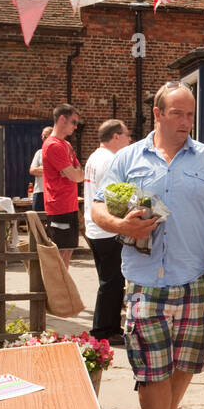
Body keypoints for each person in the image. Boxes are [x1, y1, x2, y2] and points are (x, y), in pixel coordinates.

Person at [91, 82, 204, 409]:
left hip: (193, 280)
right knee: (153, 369)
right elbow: (99, 206)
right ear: (157, 113)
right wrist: (121, 224)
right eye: (178, 114)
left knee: (186, 364)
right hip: (144, 283)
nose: (186, 123)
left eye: (190, 115)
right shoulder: (129, 158)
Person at [84, 119, 132, 344]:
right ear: (115, 136)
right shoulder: (111, 160)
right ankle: (103, 331)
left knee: (110, 281)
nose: (129, 139)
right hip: (107, 229)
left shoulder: (95, 157)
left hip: (95, 228)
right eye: (126, 135)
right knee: (111, 283)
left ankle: (110, 327)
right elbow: (115, 198)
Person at [42, 105, 84, 263]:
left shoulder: (66, 145)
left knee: (68, 252)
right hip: (58, 206)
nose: (75, 126)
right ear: (61, 119)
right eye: (73, 122)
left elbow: (79, 173)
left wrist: (73, 172)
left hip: (69, 205)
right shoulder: (54, 145)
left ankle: (62, 287)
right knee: (59, 256)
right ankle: (56, 288)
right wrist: (73, 172)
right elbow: (75, 175)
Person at [30, 126, 53, 212]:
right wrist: (50, 169)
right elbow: (32, 170)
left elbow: (61, 171)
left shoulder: (58, 153)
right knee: (37, 219)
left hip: (53, 192)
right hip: (39, 191)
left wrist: (41, 168)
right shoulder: (39, 153)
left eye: (45, 136)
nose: (43, 138)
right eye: (42, 136)